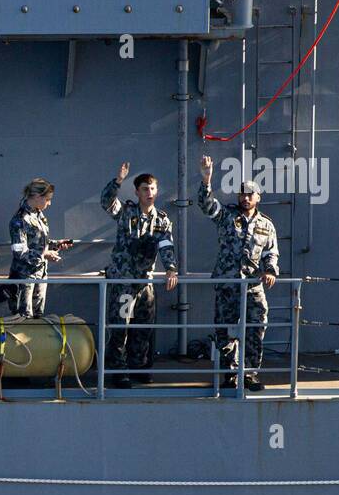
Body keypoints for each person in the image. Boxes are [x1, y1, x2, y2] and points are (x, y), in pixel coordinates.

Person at [198, 155, 279, 392]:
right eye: (242, 194)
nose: (245, 198)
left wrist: (271, 271)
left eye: (250, 194)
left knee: (256, 327)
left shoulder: (266, 224)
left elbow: (271, 252)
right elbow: (206, 205)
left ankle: (250, 373)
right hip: (227, 283)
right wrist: (206, 179)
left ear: (258, 197)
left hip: (253, 285)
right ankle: (229, 374)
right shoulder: (226, 217)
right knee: (224, 330)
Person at [100, 162, 179, 388]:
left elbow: (166, 245)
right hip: (124, 281)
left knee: (144, 327)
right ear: (137, 192)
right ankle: (120, 370)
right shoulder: (126, 212)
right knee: (121, 327)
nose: (150, 193)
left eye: (153, 189)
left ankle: (140, 368)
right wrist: (117, 181)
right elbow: (106, 203)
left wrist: (171, 268)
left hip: (145, 282)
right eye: (145, 189)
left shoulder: (162, 220)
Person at [7, 178, 71, 318]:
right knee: (24, 319)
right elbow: (20, 252)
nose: (49, 203)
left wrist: (56, 245)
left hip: (40, 275)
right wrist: (45, 254)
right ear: (37, 197)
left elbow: (39, 243)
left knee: (38, 319)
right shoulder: (20, 220)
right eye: (47, 199)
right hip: (25, 279)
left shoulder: (38, 215)